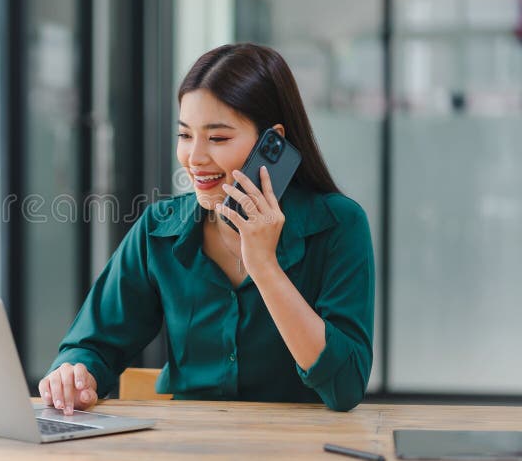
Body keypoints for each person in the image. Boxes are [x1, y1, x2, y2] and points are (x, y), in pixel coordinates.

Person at [38, 43, 375, 414]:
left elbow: (345, 387)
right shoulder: (158, 230)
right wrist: (74, 374)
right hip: (188, 439)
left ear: (273, 144)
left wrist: (264, 266)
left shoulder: (338, 226)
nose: (194, 158)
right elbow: (92, 345)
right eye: (185, 135)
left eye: (217, 138)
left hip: (299, 441)